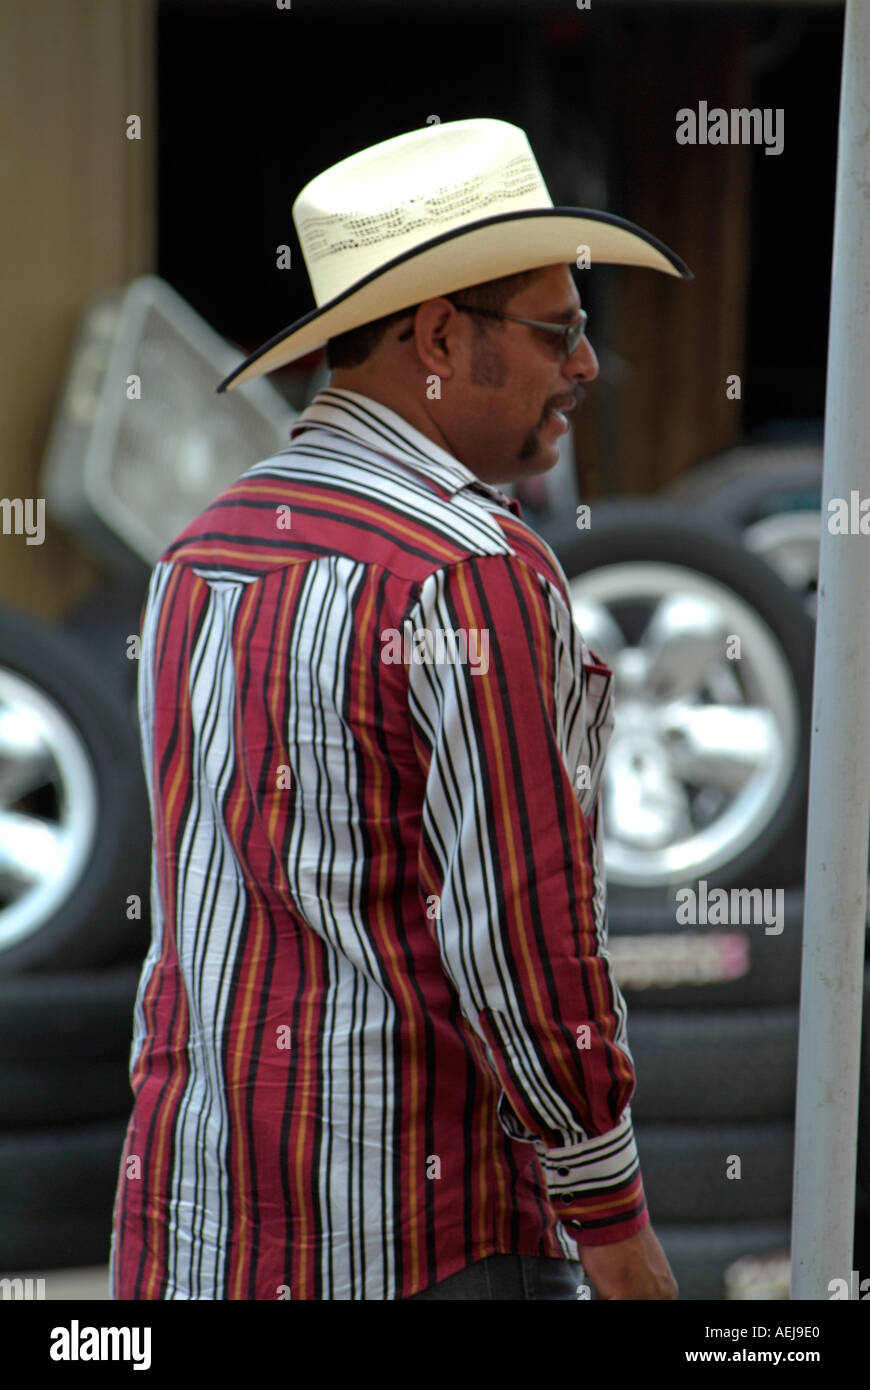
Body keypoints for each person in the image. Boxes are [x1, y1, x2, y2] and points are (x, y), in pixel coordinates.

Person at [110, 117, 690, 1301]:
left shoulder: (201, 552)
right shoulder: (471, 570)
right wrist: (617, 1228)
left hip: (196, 1228)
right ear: (436, 336)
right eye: (558, 330)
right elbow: (522, 945)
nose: (584, 365)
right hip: (431, 1245)